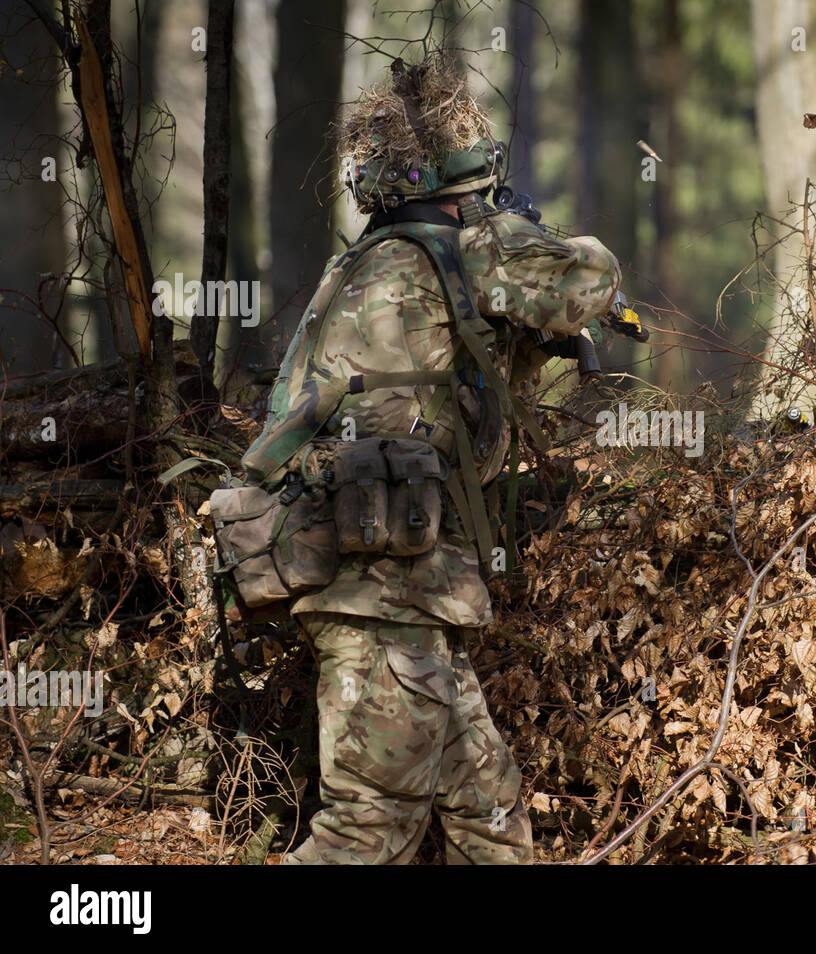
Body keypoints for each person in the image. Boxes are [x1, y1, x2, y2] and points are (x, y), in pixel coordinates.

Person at [242, 56, 625, 864]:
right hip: (385, 593)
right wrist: (520, 231)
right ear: (464, 183)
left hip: (398, 588)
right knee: (366, 829)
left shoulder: (365, 263)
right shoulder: (459, 248)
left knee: (488, 810)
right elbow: (588, 278)